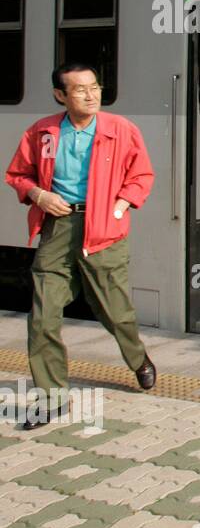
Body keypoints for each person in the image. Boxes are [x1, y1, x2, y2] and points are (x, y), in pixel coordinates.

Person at [4, 63, 157, 430]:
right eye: (80, 89)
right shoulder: (42, 131)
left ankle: (139, 359)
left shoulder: (121, 130)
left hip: (104, 229)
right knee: (42, 319)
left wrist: (120, 207)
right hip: (57, 229)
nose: (91, 95)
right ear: (61, 95)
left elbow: (142, 175)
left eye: (95, 88)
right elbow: (18, 175)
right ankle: (52, 399)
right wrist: (39, 195)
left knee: (115, 313)